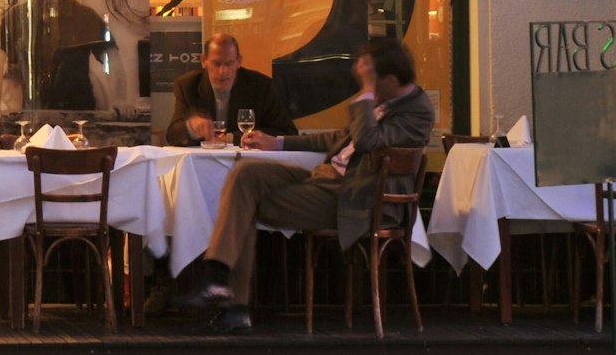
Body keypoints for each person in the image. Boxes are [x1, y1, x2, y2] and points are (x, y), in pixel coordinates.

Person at [180, 37, 435, 334]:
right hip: (326, 178)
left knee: (243, 203)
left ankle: (230, 297)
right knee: (245, 173)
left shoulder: (417, 111)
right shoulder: (383, 101)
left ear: (389, 80)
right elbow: (340, 139)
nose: (365, 86)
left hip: (354, 199)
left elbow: (368, 142)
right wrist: (278, 142)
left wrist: (366, 94)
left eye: (370, 79)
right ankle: (220, 283)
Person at [0, 0, 107, 109]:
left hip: (79, 113)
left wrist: (121, 99)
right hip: (35, 112)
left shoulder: (85, 16)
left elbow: (111, 55)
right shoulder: (17, 16)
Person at [165, 33, 296, 147]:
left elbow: (287, 132)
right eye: (216, 64)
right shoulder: (187, 85)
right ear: (204, 61)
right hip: (203, 163)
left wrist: (232, 138)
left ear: (239, 61)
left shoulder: (261, 85)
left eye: (229, 64)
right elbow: (172, 135)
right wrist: (190, 127)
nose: (223, 72)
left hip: (249, 163)